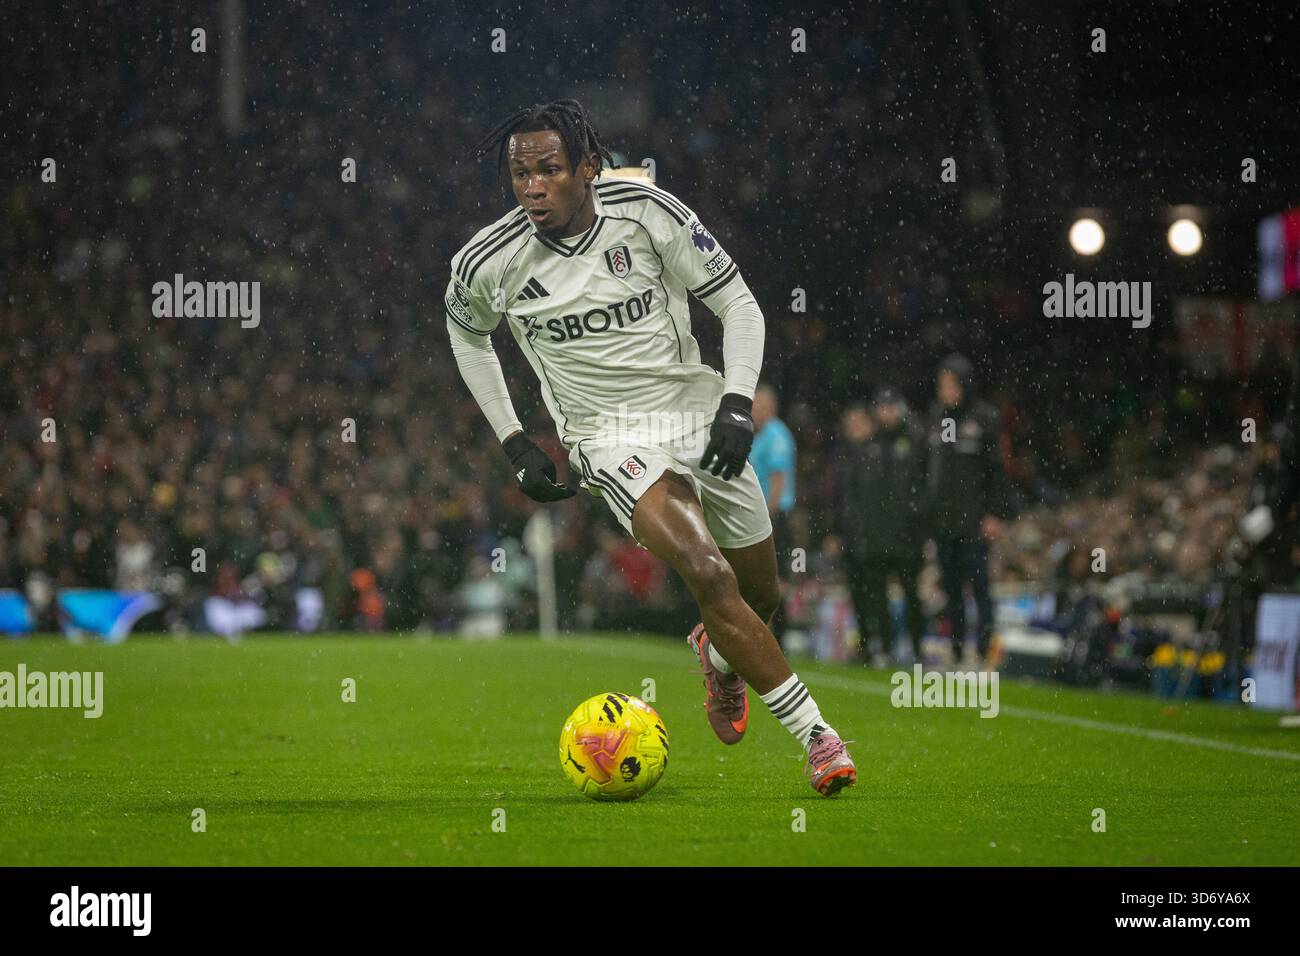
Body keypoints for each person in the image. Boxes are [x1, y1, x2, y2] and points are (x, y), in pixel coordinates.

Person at [443, 100, 855, 795]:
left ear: (588, 169)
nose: (533, 187)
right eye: (520, 174)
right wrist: (515, 440)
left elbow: (739, 304)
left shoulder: (648, 211)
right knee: (706, 569)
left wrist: (736, 403)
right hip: (606, 437)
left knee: (760, 592)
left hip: (695, 412)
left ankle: (719, 658)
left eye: (549, 170)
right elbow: (467, 335)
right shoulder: (489, 261)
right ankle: (819, 737)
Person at [924, 354, 1014, 666]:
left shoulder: (984, 418)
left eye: (951, 384)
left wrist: (994, 514)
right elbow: (931, 472)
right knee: (950, 590)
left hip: (974, 522)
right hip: (945, 521)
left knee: (979, 588)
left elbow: (998, 472)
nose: (945, 391)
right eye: (942, 385)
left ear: (965, 385)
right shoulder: (936, 418)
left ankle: (986, 650)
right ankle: (959, 650)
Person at [841, 388, 927, 664]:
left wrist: (917, 524)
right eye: (882, 407)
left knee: (911, 594)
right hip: (875, 537)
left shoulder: (915, 443)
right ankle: (887, 650)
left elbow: (923, 489)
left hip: (906, 537)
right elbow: (854, 493)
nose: (886, 413)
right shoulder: (868, 446)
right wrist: (858, 527)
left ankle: (917, 649)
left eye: (891, 407)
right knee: (877, 598)